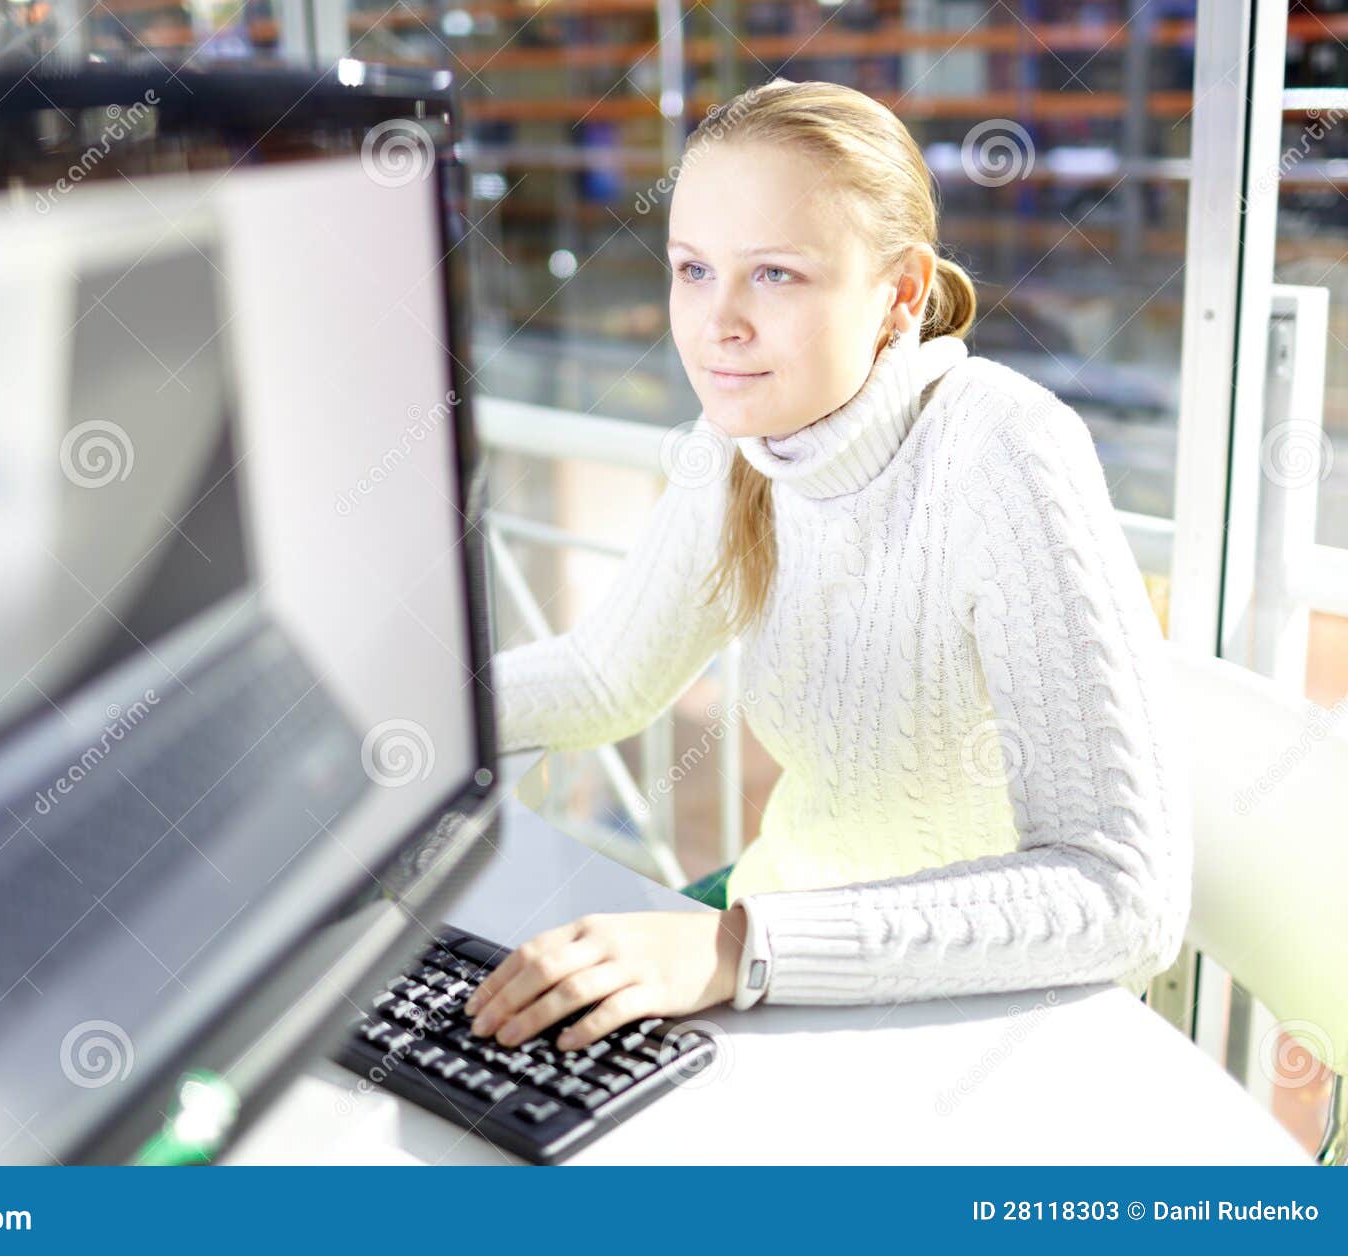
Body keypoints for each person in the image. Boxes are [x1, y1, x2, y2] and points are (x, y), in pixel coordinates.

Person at [467, 79, 1191, 1055]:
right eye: (692, 269)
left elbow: (1125, 894)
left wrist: (740, 946)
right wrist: (385, 722)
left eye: (774, 274)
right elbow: (605, 678)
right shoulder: (738, 439)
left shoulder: (1004, 449)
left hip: (961, 1013)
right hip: (774, 934)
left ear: (900, 292)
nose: (717, 322)